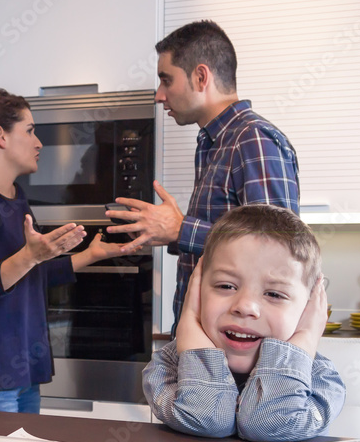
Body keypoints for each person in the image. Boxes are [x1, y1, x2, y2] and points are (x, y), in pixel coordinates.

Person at [0, 89, 126, 414]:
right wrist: (29, 255)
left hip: (21, 375)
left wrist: (91, 255)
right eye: (29, 130)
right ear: (0, 135)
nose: (38, 142)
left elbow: (30, 275)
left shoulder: (16, 199)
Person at [105, 20, 300, 334]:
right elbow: (231, 243)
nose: (159, 95)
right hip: (207, 343)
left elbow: (280, 252)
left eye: (166, 80)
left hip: (236, 347)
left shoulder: (253, 139)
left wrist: (181, 229)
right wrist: (170, 234)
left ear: (200, 76)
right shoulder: (214, 143)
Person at [142, 204, 345, 441]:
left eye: (274, 294)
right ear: (196, 292)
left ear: (310, 308)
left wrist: (307, 337)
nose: (245, 306)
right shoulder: (166, 366)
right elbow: (208, 419)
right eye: (226, 286)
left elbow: (269, 424)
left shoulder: (321, 378)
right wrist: (193, 337)